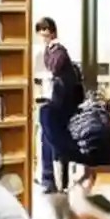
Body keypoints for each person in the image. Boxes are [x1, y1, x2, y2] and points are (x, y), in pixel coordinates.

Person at [37, 17, 85, 193]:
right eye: (40, 30)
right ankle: (49, 178)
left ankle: (50, 178)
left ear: (52, 31)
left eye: (45, 30)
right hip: (59, 102)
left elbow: (53, 68)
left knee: (48, 132)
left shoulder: (59, 51)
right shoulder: (50, 50)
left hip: (64, 104)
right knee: (46, 133)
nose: (42, 34)